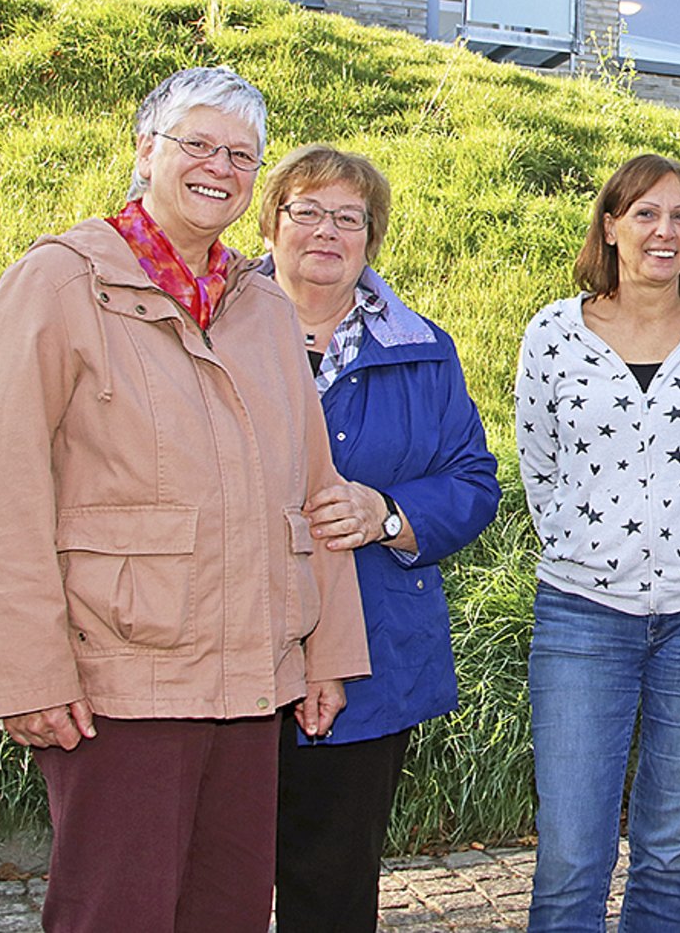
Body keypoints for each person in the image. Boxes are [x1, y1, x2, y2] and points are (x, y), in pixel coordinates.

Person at [0, 67, 370, 933]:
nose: (220, 166)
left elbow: (313, 489)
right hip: (121, 679)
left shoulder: (258, 304)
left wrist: (326, 653)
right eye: (199, 145)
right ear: (147, 152)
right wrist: (28, 671)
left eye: (241, 155)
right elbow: (1, 491)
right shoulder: (62, 282)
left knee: (227, 912)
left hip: (251, 683)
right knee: (117, 913)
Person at [513, 153, 680, 933]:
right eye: (646, 214)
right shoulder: (555, 334)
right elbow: (540, 466)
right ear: (610, 225)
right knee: (570, 853)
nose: (665, 231)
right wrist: (586, 542)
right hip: (581, 614)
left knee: (670, 850)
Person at [260, 145, 502, 933]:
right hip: (225, 643)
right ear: (271, 223)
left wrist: (388, 515)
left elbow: (473, 482)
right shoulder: (209, 327)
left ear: (371, 238)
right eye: (307, 211)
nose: (326, 232)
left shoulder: (421, 348)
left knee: (331, 881)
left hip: (371, 655)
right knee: (210, 874)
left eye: (349, 218)